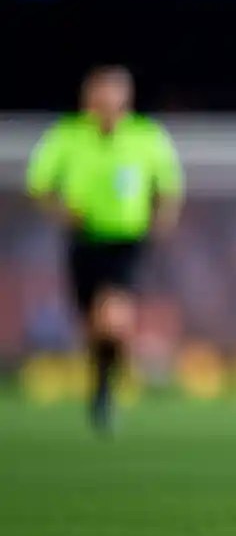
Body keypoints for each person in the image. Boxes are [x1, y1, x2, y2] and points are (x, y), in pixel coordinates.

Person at [26, 66, 184, 434]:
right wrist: (61, 211)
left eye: (114, 94)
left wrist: (163, 217)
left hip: (127, 240)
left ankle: (115, 381)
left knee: (113, 317)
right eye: (100, 95)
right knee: (94, 325)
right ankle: (104, 386)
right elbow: (40, 183)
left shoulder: (146, 136)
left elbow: (168, 184)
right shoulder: (67, 136)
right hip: (84, 240)